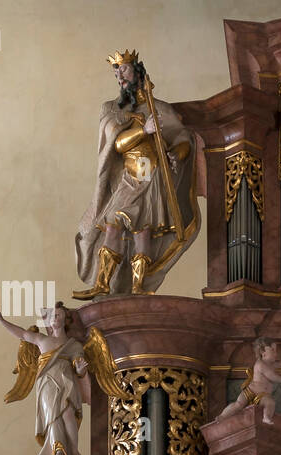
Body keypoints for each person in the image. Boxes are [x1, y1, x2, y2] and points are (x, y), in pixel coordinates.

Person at [74, 50, 199, 299]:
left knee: (144, 232)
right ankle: (102, 284)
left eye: (124, 69)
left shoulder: (159, 108)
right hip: (129, 176)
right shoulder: (113, 109)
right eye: (116, 72)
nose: (120, 75)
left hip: (151, 177)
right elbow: (117, 145)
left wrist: (179, 154)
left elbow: (183, 138)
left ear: (138, 72)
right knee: (112, 226)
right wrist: (145, 130)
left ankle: (138, 287)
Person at [0, 302, 89, 455]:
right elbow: (22, 334)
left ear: (65, 319)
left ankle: (73, 451)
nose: (54, 318)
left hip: (66, 381)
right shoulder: (42, 340)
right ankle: (58, 450)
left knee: (68, 415)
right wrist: (1, 320)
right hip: (47, 383)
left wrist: (80, 370)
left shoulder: (74, 345)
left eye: (58, 315)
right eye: (52, 315)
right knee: (52, 415)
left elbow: (78, 366)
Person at [216, 338, 281, 425]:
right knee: (238, 404)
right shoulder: (260, 364)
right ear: (263, 353)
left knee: (270, 403)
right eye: (272, 350)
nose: (276, 353)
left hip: (262, 395)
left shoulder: (271, 364)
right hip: (250, 391)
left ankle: (266, 417)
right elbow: (272, 376)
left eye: (276, 350)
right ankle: (222, 416)